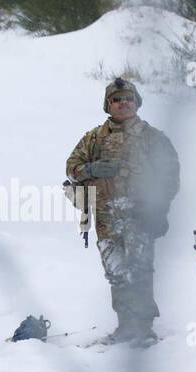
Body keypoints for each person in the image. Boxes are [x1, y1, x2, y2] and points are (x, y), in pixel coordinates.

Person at [65, 78, 180, 346]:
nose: (124, 102)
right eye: (117, 99)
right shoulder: (94, 138)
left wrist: (159, 210)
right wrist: (90, 170)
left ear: (137, 102)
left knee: (140, 270)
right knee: (116, 272)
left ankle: (144, 329)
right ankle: (125, 326)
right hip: (106, 218)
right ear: (108, 105)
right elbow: (72, 167)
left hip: (140, 216)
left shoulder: (153, 138)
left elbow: (170, 177)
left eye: (129, 97)